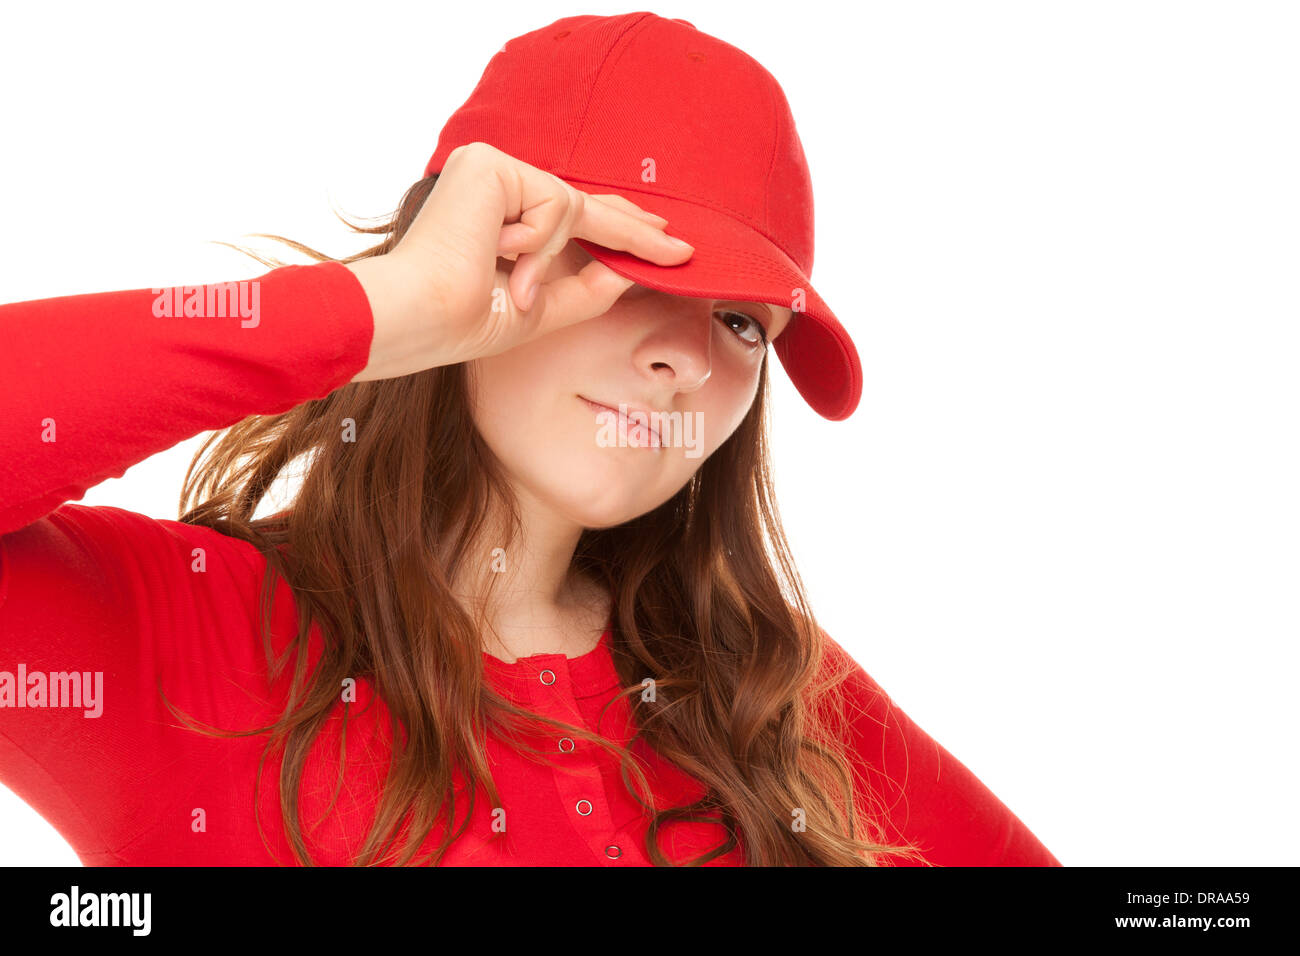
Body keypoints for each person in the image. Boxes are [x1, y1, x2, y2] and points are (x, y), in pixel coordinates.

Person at [0, 12, 1060, 866]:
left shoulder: (760, 684)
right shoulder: (186, 642)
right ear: (478, 249)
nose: (687, 361)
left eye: (741, 322)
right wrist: (379, 310)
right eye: (626, 269)